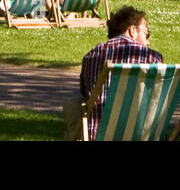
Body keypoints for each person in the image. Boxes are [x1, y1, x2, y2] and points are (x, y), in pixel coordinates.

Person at [65, 7, 164, 139]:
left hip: (99, 136)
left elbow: (85, 92)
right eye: (147, 35)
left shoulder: (90, 57)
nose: (148, 42)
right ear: (133, 30)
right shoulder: (152, 58)